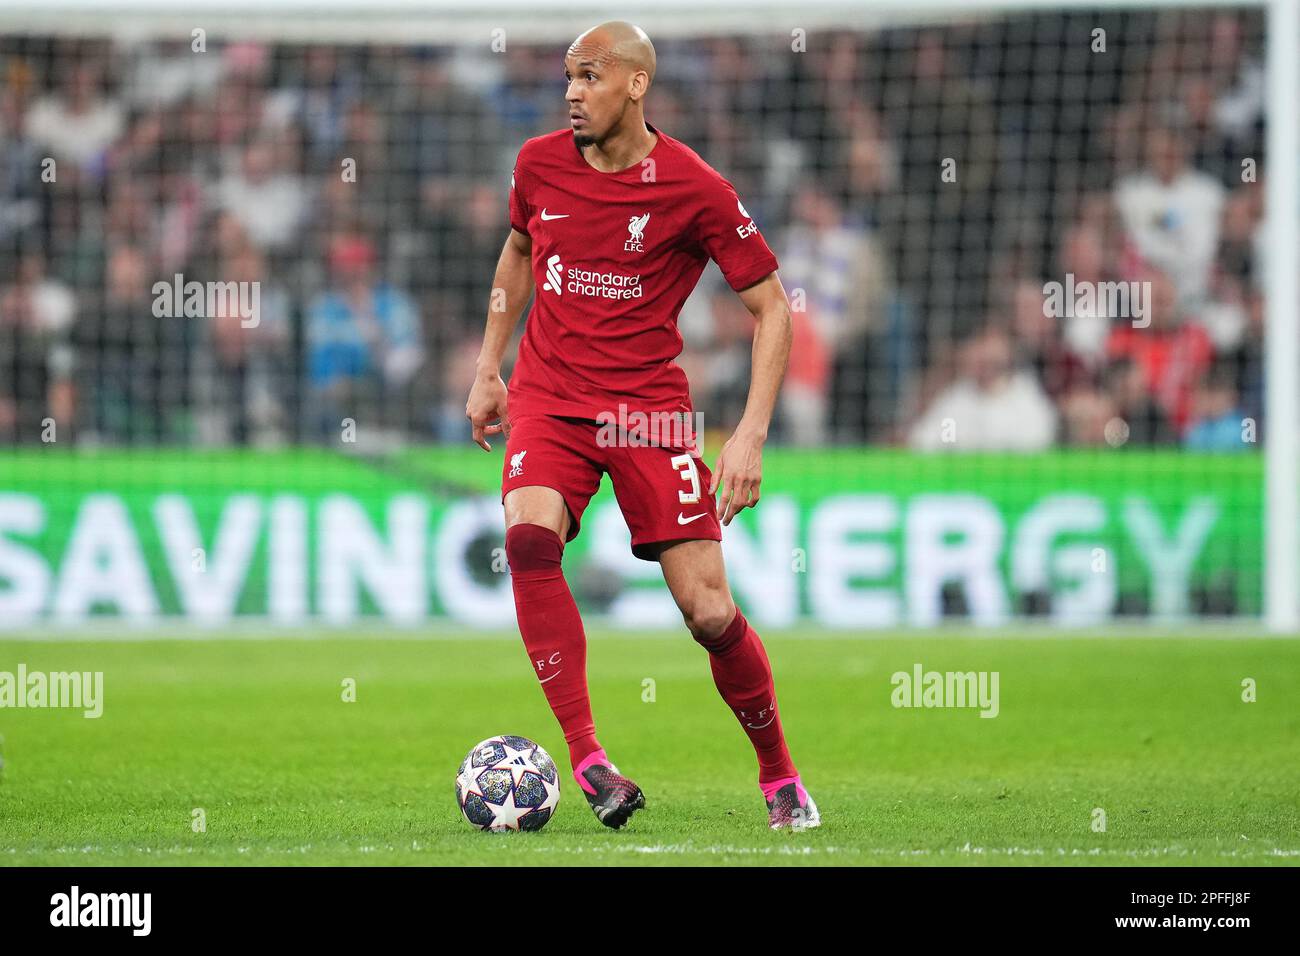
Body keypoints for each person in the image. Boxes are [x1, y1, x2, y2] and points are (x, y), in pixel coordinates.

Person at [464, 21, 816, 831]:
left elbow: (772, 310)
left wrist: (750, 434)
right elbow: (517, 252)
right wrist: (489, 365)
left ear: (635, 83)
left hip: (645, 412)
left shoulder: (694, 187)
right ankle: (589, 759)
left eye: (589, 76)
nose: (572, 93)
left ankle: (780, 775)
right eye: (567, 77)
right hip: (550, 397)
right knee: (529, 539)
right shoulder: (538, 163)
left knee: (709, 612)